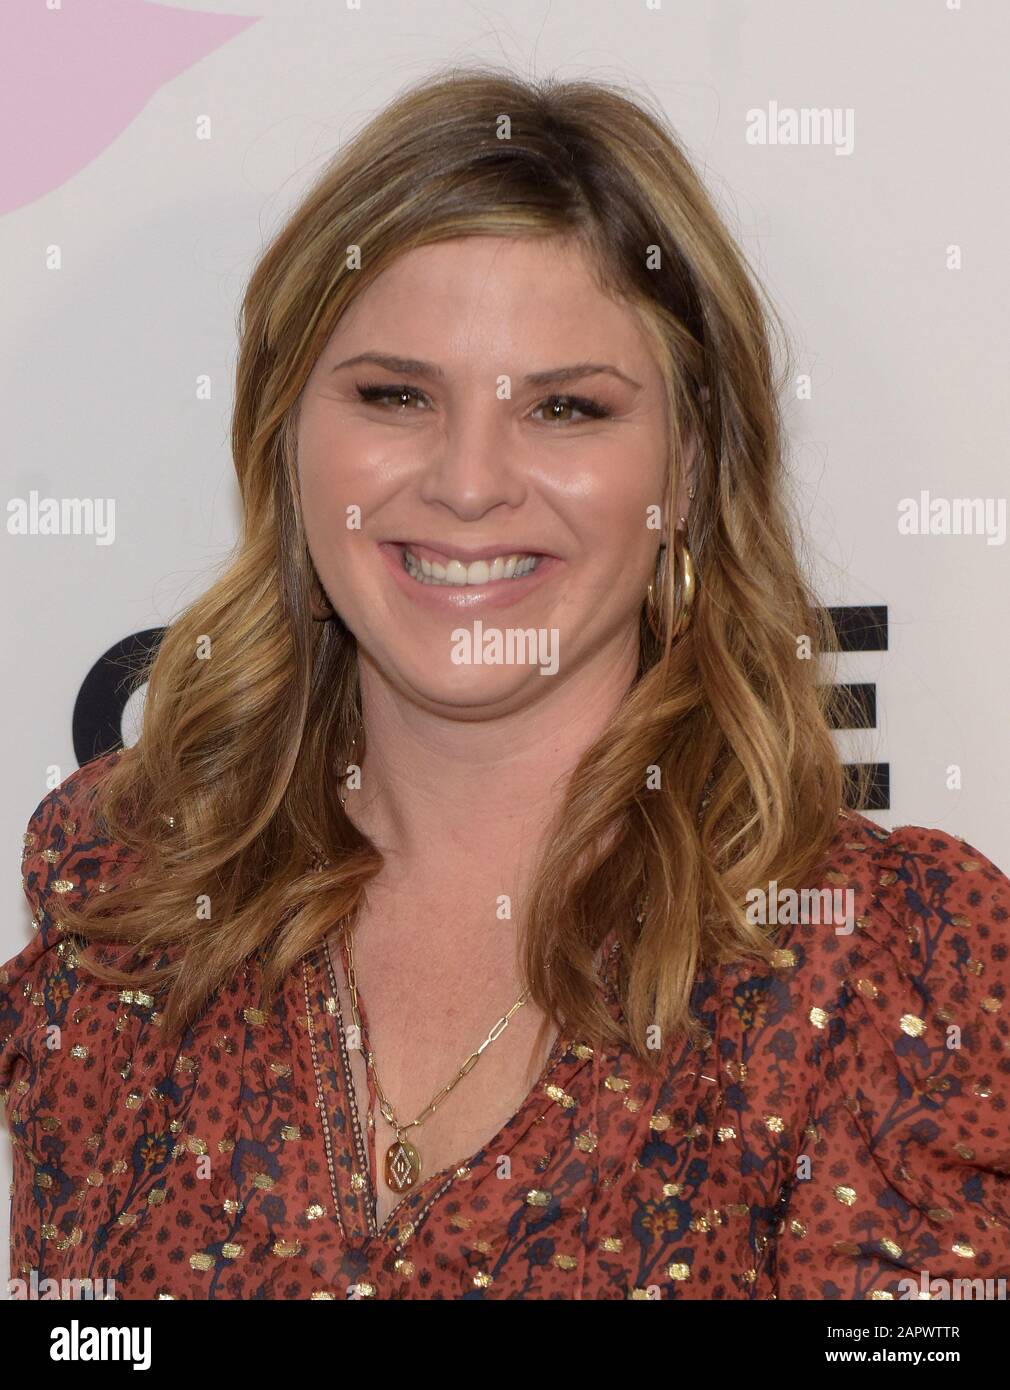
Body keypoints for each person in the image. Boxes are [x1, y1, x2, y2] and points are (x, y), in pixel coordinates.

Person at [4, 68, 1009, 1302]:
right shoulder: (131, 913)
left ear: (687, 469)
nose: (469, 482)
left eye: (565, 408)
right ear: (285, 436)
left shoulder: (879, 966)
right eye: (394, 395)